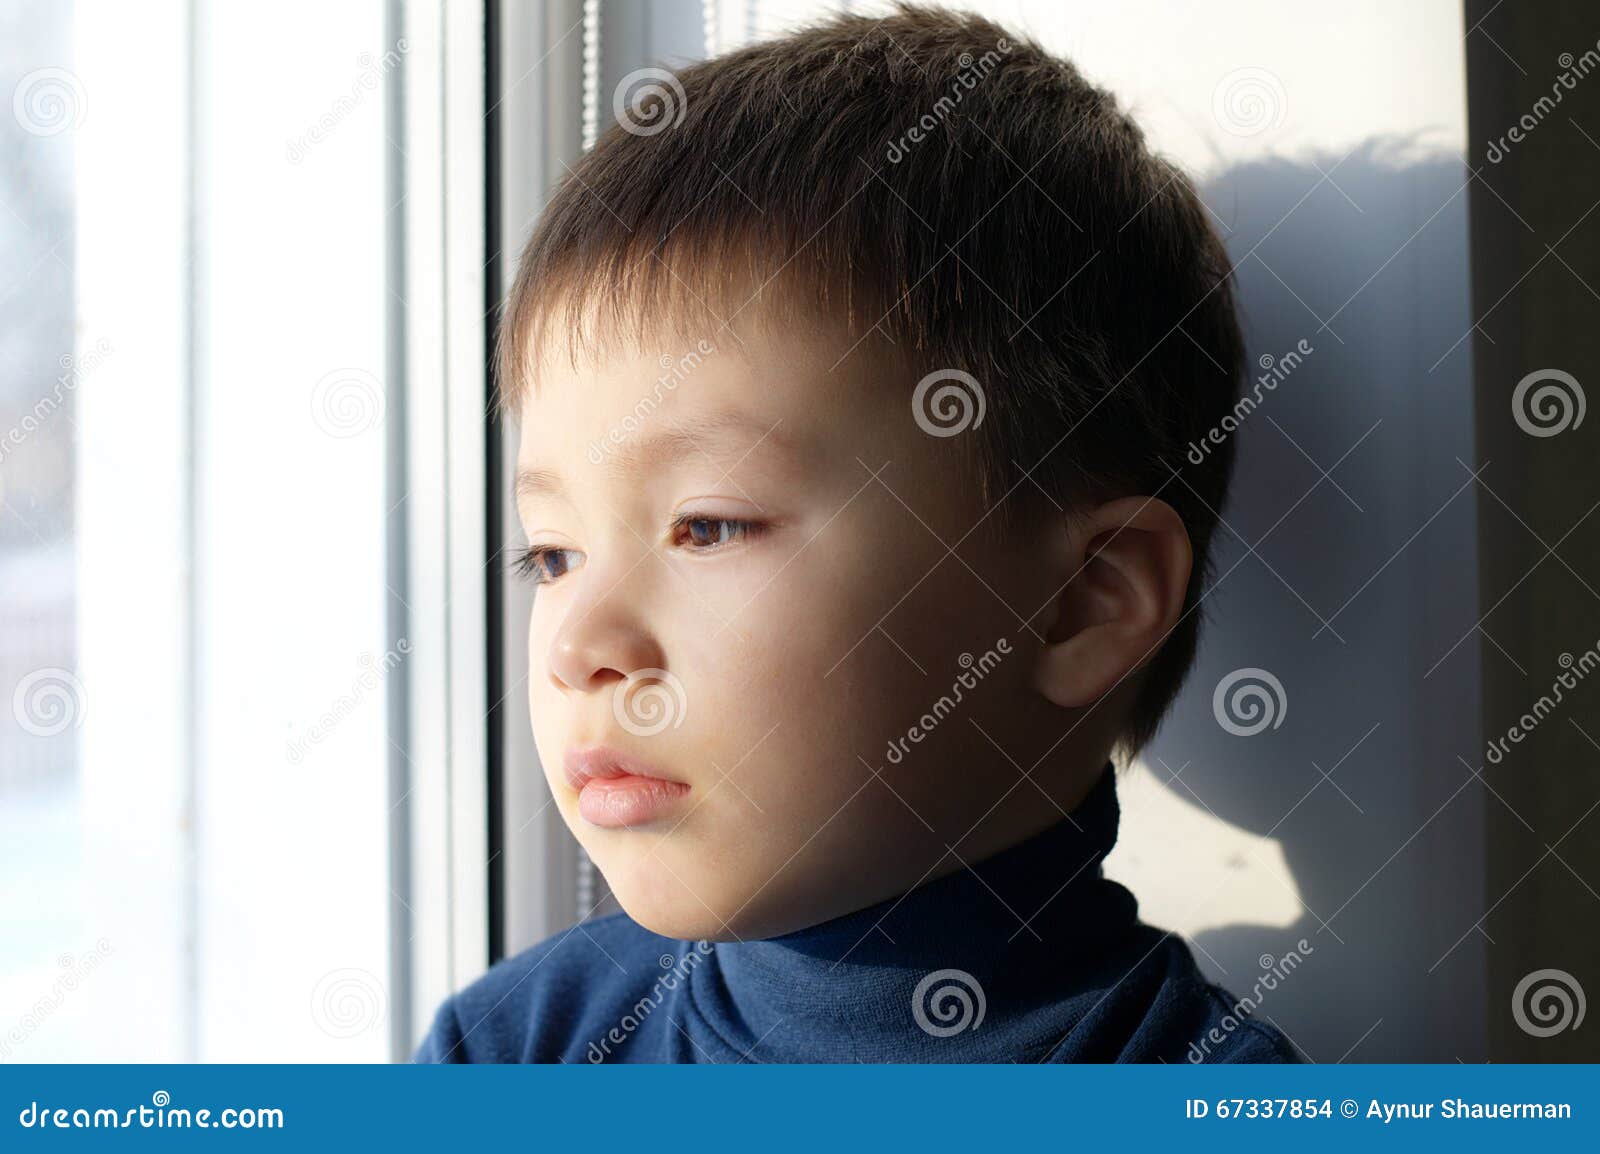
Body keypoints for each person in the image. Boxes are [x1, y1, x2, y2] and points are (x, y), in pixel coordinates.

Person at [416, 3, 1298, 1064]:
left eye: (708, 525)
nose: (575, 647)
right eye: (552, 553)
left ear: (1082, 602)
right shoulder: (516, 1049)